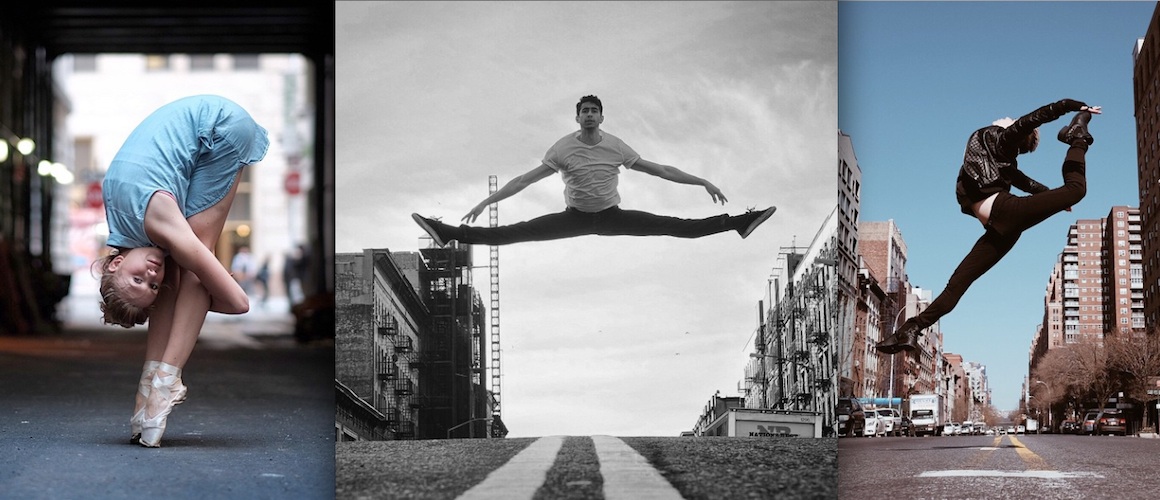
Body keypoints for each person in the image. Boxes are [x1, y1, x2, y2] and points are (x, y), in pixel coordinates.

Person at [94, 94, 270, 447]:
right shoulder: (125, 229)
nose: (152, 274)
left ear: (115, 262)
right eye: (150, 285)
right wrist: (183, 295)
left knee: (194, 263)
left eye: (137, 278)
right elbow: (164, 281)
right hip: (202, 122)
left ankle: (166, 381)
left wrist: (203, 290)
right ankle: (149, 384)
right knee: (180, 268)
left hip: (221, 128)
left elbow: (239, 304)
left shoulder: (156, 221)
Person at [876, 99, 1100, 354]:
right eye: (1020, 145)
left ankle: (1077, 136)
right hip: (1003, 217)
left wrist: (1052, 198)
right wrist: (1069, 106)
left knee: (1073, 192)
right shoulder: (1000, 139)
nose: (1017, 151)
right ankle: (911, 329)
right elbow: (1034, 118)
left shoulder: (1000, 159)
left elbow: (1025, 182)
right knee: (959, 282)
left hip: (1004, 223)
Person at [411, 95, 776, 247]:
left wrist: (702, 181)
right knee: (512, 234)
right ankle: (446, 233)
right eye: (583, 110)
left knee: (674, 225)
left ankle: (738, 223)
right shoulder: (562, 147)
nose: (588, 114)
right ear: (577, 117)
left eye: (593, 110)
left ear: (601, 117)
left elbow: (661, 170)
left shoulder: (616, 145)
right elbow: (523, 181)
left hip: (612, 216)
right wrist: (482, 202)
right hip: (574, 218)